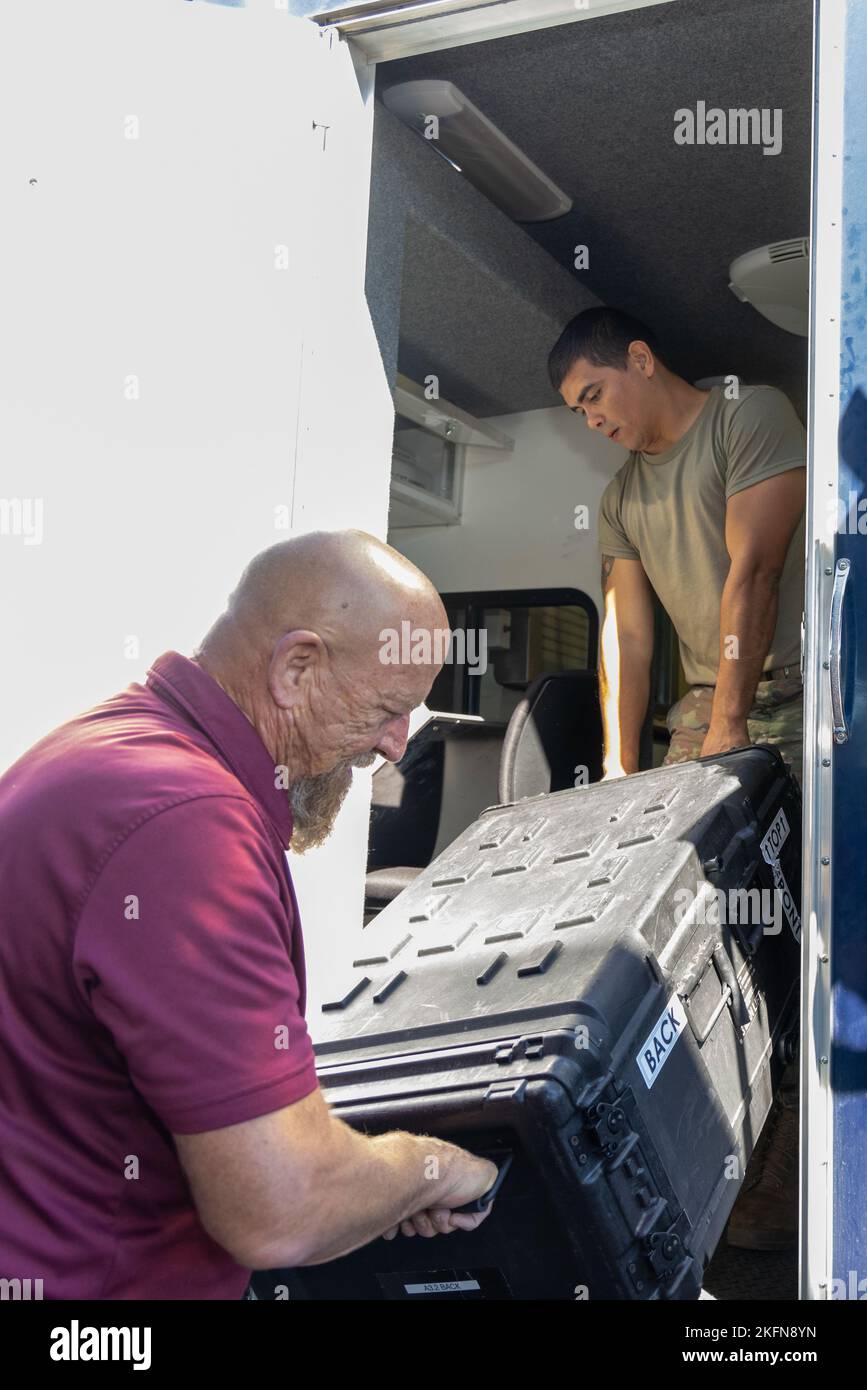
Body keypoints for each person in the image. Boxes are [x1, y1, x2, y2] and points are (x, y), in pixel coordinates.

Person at [0, 530, 498, 1299]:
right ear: (296, 669)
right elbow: (282, 1211)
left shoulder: (107, 747)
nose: (397, 747)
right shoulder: (186, 828)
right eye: (386, 709)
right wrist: (431, 1169)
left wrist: (361, 1188)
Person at [549, 307, 806, 1251]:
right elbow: (625, 633)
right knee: (676, 936)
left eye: (593, 395)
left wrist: (735, 729)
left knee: (785, 937)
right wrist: (622, 773)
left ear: (641, 360)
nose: (591, 420)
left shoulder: (751, 415)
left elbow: (757, 570)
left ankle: (786, 1192)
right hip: (701, 709)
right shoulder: (620, 497)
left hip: (791, 698)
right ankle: (700, 1174)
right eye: (576, 412)